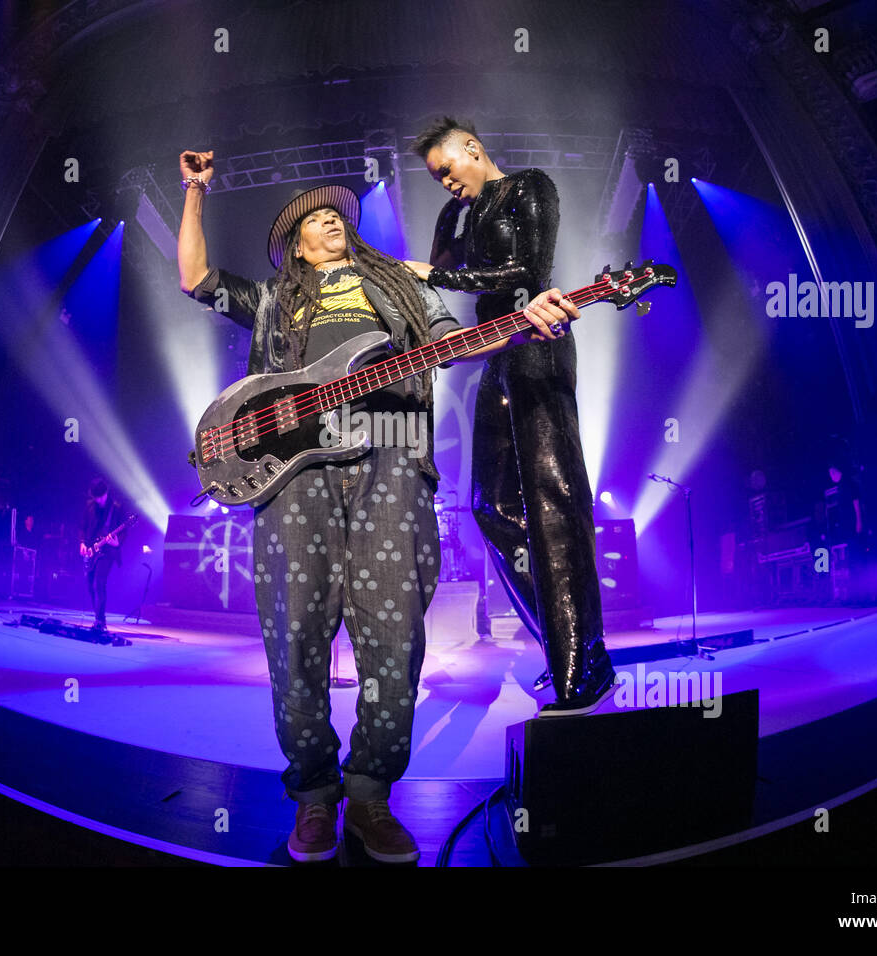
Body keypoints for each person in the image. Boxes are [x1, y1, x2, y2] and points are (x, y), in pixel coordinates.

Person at [176, 148, 577, 863]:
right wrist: (194, 193)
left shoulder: (395, 283)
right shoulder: (275, 298)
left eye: (336, 215)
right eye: (314, 220)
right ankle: (313, 799)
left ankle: (368, 797)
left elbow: (456, 342)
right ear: (295, 244)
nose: (328, 220)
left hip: (392, 455)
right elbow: (194, 278)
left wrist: (520, 321)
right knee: (295, 633)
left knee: (394, 639)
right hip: (292, 472)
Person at [405, 116, 616, 717]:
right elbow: (429, 285)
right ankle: (566, 645)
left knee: (553, 498)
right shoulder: (455, 217)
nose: (445, 183)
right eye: (436, 178)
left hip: (539, 337)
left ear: (473, 148)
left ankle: (583, 664)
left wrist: (439, 273)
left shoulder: (529, 186)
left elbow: (527, 272)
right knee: (490, 506)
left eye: (448, 169)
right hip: (494, 354)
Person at [79, 478, 126, 633]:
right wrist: (82, 543)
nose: (98, 500)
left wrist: (117, 543)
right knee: (89, 585)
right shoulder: (90, 506)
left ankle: (100, 621)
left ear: (106, 493)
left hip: (107, 552)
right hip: (92, 551)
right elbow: (83, 526)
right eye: (95, 497)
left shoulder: (116, 508)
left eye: (100, 496)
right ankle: (98, 617)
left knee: (99, 583)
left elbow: (124, 531)